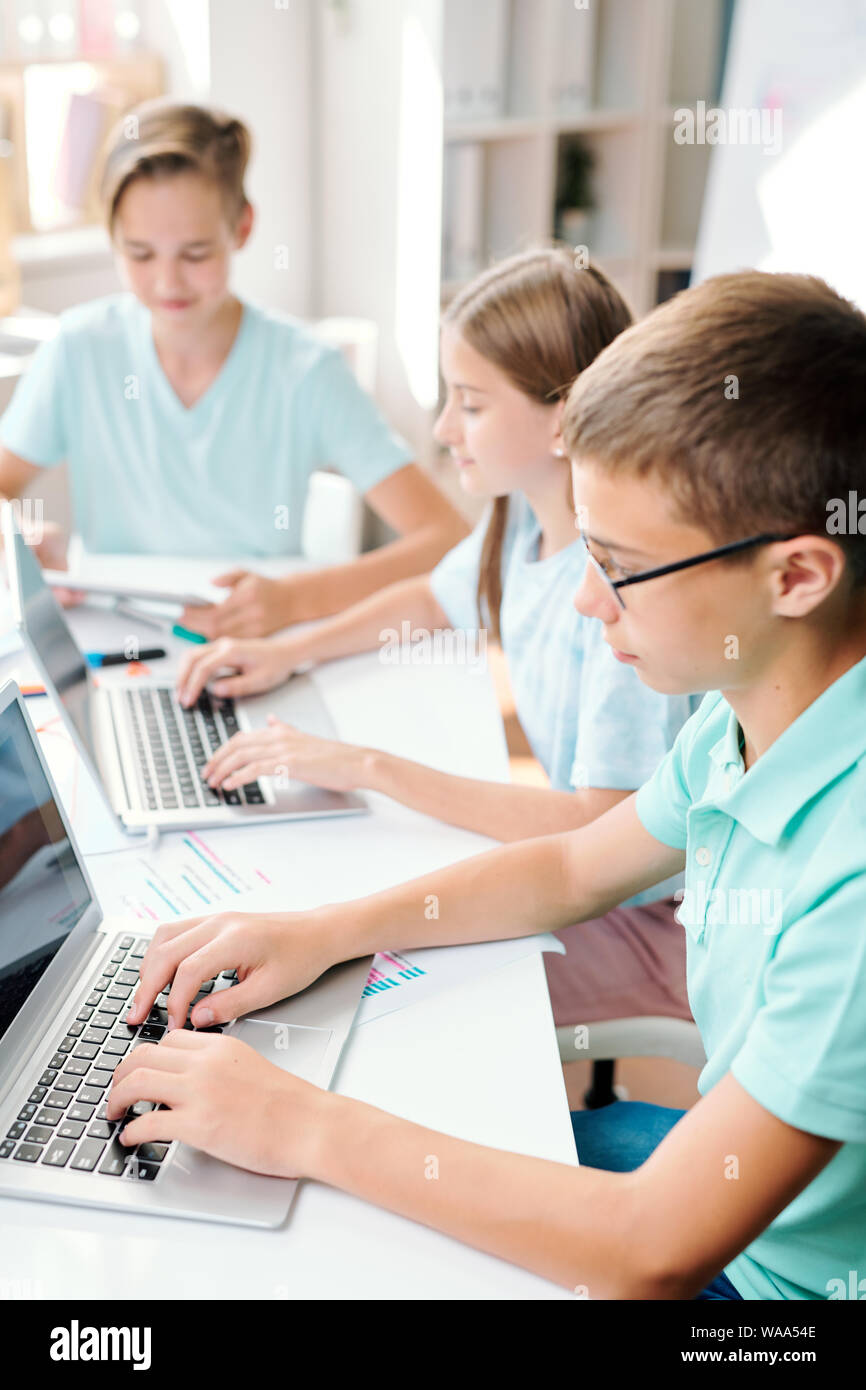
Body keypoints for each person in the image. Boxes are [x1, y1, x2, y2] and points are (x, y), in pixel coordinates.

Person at [110, 270, 866, 1300]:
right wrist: (319, 929)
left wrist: (299, 1124)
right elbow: (566, 867)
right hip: (720, 1209)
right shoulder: (745, 718)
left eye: (623, 565)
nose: (588, 602)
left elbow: (649, 1248)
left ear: (792, 576)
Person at [174, 247, 698, 1030]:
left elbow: (597, 831)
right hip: (592, 884)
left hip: (654, 924)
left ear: (562, 418)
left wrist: (369, 767)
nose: (446, 428)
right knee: (343, 936)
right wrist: (292, 649)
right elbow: (434, 598)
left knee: (380, 997)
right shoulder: (520, 511)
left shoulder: (615, 600)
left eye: (473, 404)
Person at [0, 99, 468, 638]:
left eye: (196, 253)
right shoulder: (77, 350)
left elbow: (447, 537)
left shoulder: (305, 369)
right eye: (140, 254)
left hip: (258, 646)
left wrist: (295, 598)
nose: (168, 283)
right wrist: (21, 533)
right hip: (115, 644)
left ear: (242, 227)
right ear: (112, 238)